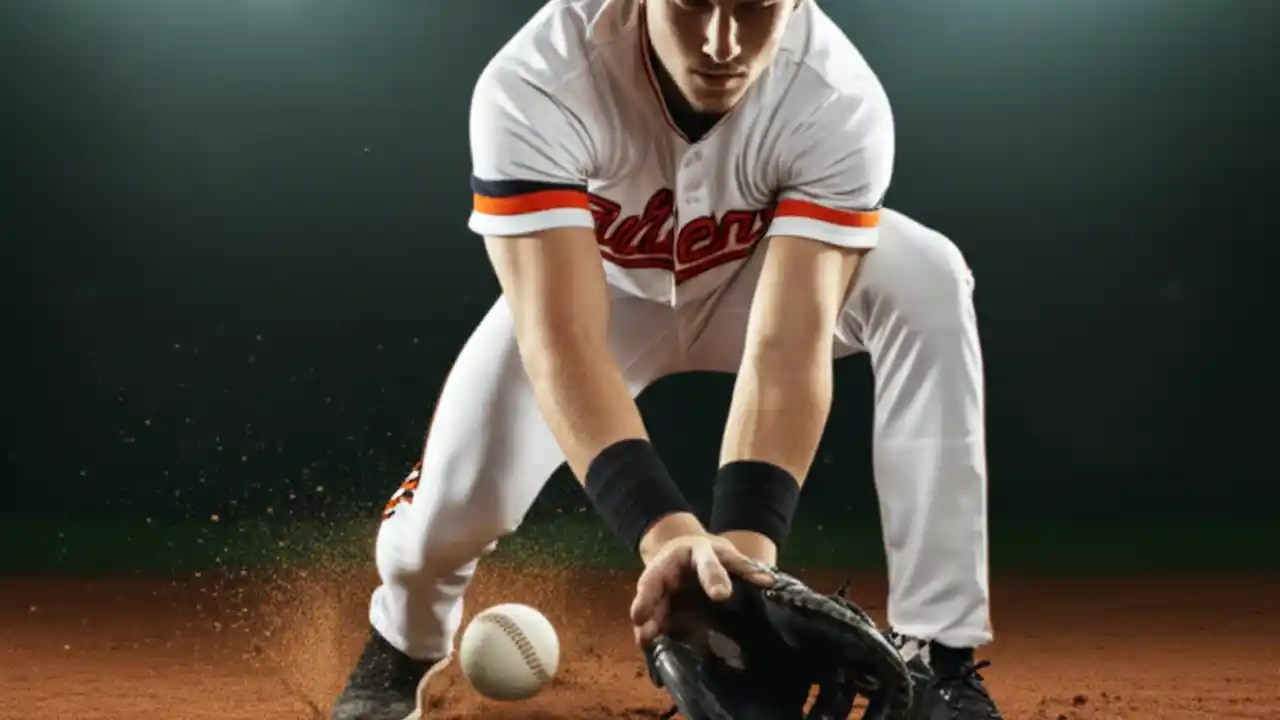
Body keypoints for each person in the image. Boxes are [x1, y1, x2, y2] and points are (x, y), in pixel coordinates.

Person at [332, 0, 1003, 718]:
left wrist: (741, 574)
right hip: (597, 295)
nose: (721, 40)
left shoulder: (836, 95)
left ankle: (939, 653)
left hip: (758, 285)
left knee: (927, 272)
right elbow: (563, 339)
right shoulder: (537, 79)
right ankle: (405, 644)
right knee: (437, 529)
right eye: (691, 4)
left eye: (754, 7)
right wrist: (671, 540)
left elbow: (786, 346)